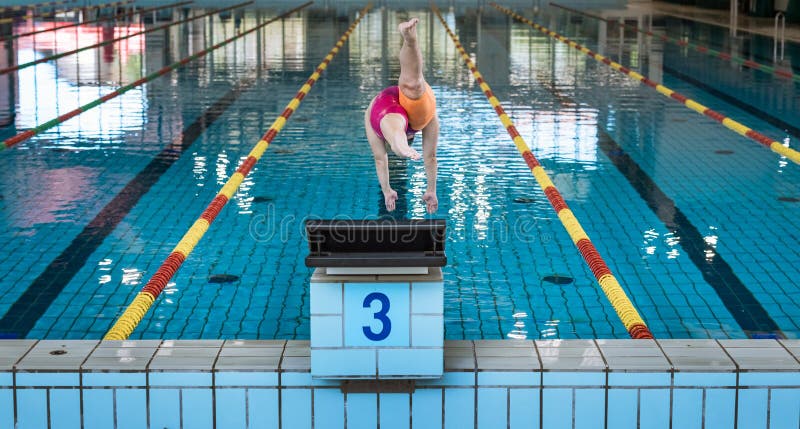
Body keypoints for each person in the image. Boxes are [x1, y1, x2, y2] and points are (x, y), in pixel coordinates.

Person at [364, 18, 439, 214]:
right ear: (413, 134)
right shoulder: (422, 121)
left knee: (409, 90)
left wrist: (387, 190)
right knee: (413, 83)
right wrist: (431, 189)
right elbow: (430, 157)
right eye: (409, 135)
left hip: (383, 107)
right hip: (396, 106)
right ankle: (410, 39)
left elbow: (381, 160)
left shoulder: (378, 125)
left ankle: (400, 147)